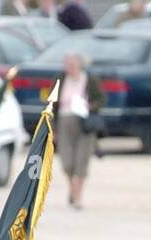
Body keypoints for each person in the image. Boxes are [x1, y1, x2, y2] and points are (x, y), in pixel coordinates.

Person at [53, 52, 105, 210]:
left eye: (72, 65)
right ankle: (73, 189)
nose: (69, 68)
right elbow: (51, 103)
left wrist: (89, 106)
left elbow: (101, 99)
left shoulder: (90, 79)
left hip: (84, 123)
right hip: (64, 120)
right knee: (67, 162)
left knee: (82, 161)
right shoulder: (60, 80)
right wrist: (52, 128)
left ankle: (77, 197)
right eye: (67, 65)